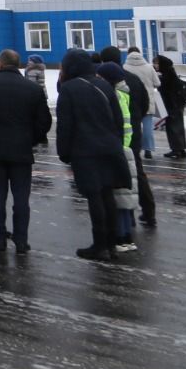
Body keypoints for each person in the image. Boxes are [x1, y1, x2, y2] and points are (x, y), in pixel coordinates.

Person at [55, 49, 132, 260]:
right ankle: (112, 244)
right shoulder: (104, 84)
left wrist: (64, 152)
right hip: (110, 147)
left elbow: (65, 126)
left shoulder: (69, 89)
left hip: (85, 151)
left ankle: (100, 246)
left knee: (95, 197)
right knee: (108, 195)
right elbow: (117, 118)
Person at [0, 50, 52, 254]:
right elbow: (44, 121)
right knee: (21, 198)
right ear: (18, 64)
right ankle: (21, 240)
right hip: (21, 151)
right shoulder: (32, 89)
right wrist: (30, 139)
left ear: (0, 63)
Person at [100, 46, 155, 227]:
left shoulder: (105, 82)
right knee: (136, 171)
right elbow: (146, 102)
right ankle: (148, 211)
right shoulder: (133, 78)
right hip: (134, 131)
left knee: (118, 175)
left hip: (116, 132)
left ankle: (126, 217)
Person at [96, 61, 140, 251]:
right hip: (126, 147)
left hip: (117, 149)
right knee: (125, 195)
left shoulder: (113, 96)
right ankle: (127, 236)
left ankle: (121, 237)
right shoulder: (124, 94)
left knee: (118, 196)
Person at [124, 47, 164, 157]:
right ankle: (148, 150)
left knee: (132, 126)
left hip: (131, 101)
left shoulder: (124, 67)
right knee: (148, 127)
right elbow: (157, 83)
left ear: (128, 54)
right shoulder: (149, 67)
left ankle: (133, 148)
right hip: (148, 100)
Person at [155, 55, 186, 158]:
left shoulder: (167, 76)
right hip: (176, 105)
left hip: (172, 106)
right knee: (177, 128)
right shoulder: (170, 73)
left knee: (173, 128)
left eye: (157, 63)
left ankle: (176, 150)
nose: (155, 65)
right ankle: (181, 149)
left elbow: (165, 89)